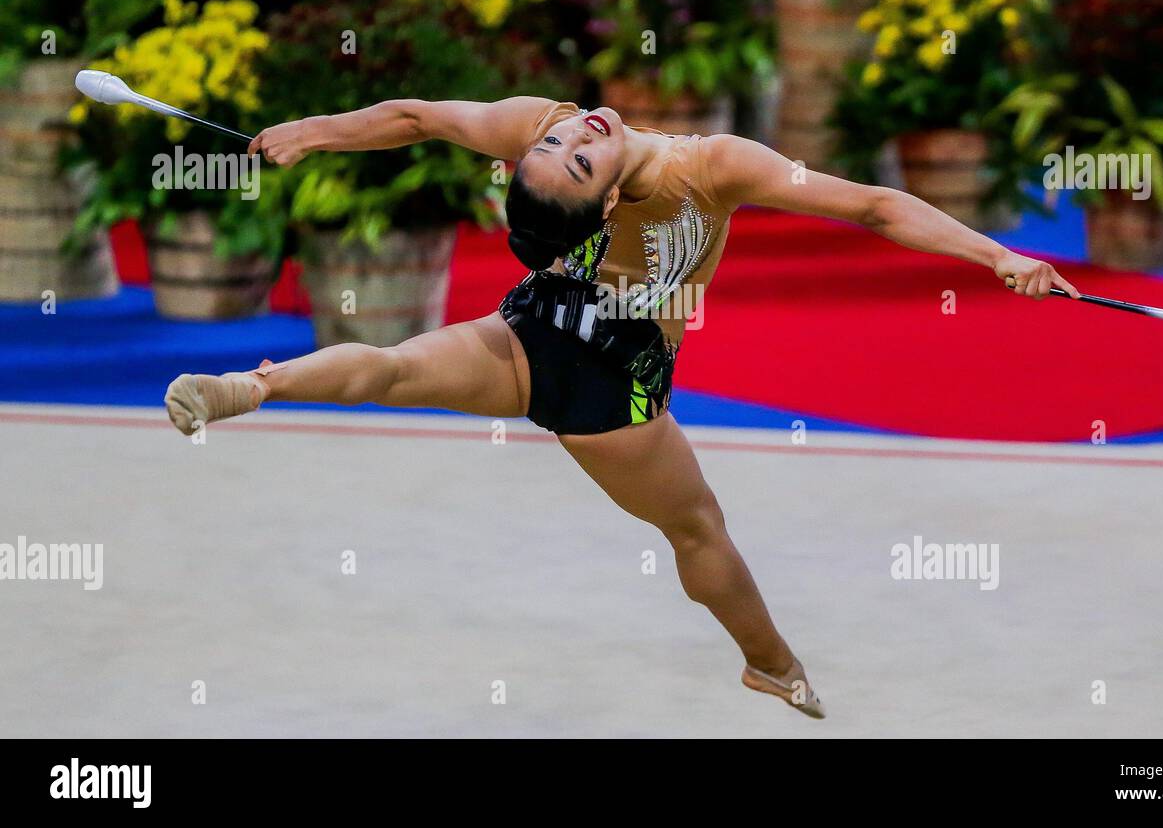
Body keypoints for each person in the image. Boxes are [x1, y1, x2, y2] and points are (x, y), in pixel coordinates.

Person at [164, 96, 1080, 719]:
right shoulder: (715, 165)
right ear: (600, 205)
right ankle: (772, 664)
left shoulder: (561, 125)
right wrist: (998, 257)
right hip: (613, 387)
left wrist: (312, 132)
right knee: (696, 530)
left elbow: (416, 117)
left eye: (564, 147)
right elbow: (874, 207)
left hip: (533, 335)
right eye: (570, 156)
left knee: (404, 367)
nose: (572, 137)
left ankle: (268, 384)